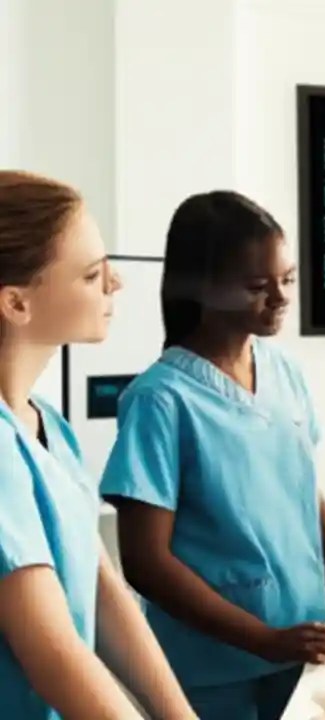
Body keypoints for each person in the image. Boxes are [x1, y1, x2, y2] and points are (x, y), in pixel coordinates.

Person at [99, 191, 325, 720]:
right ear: (201, 287)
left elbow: (301, 487)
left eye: (287, 279)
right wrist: (261, 638)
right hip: (211, 667)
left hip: (300, 638)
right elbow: (145, 562)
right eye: (257, 286)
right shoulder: (160, 400)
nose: (280, 297)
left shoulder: (283, 372)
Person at [0, 171, 195, 718]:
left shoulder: (48, 425)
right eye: (91, 274)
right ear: (16, 303)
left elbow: (104, 591)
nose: (116, 283)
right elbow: (55, 655)